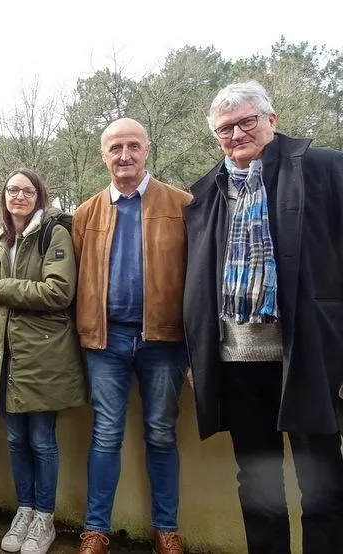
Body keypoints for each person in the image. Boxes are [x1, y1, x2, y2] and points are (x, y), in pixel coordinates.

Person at [184, 80, 343, 554]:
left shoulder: (322, 169)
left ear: (272, 121)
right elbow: (195, 280)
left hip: (309, 356)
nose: (235, 135)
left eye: (245, 122)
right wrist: (198, 355)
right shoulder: (208, 192)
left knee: (322, 483)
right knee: (257, 484)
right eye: (224, 129)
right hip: (238, 361)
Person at [73, 118, 191, 554]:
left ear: (147, 150)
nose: (124, 155)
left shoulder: (182, 204)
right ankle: (95, 529)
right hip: (107, 342)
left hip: (165, 342)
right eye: (116, 147)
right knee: (106, 433)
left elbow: (198, 281)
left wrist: (199, 349)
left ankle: (167, 530)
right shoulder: (86, 213)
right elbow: (76, 282)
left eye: (133, 146)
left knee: (161, 433)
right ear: (104, 154)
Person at [0, 168, 88, 554]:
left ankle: (45, 517)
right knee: (15, 440)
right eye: (12, 190)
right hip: (7, 356)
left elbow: (60, 290)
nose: (19, 196)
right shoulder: (1, 238)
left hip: (44, 356)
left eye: (27, 191)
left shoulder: (52, 233)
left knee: (42, 441)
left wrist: (7, 289)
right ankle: (23, 510)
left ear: (39, 196)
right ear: (4, 196)